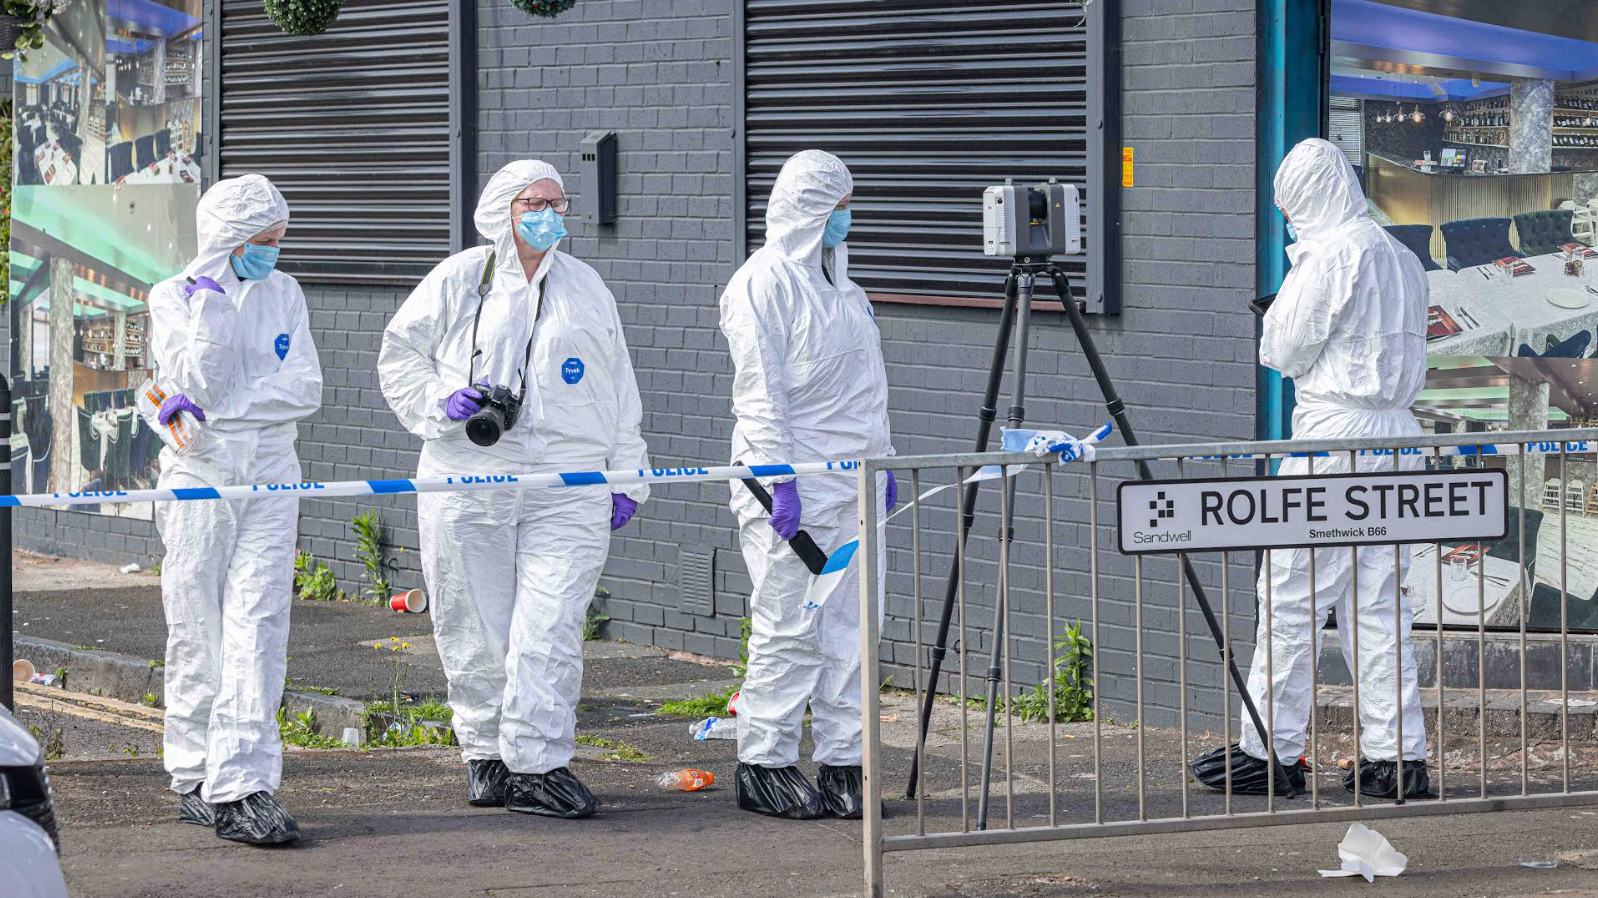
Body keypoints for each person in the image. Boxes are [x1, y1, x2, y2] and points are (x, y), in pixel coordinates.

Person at [378, 160, 650, 819]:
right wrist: (441, 401)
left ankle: (538, 763)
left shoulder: (586, 286)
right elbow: (397, 355)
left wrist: (628, 469)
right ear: (506, 207)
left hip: (568, 482)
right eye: (538, 202)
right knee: (474, 621)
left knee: (551, 623)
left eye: (559, 202)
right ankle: (486, 754)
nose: (553, 213)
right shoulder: (460, 279)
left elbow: (618, 383)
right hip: (470, 476)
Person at [1190, 138, 1430, 800]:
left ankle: (1271, 751)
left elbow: (1284, 350)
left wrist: (1277, 314)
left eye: (1291, 207)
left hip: (1333, 443)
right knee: (1377, 608)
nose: (1290, 220)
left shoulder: (1330, 257)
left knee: (1291, 598)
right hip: (1399, 442)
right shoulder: (1403, 258)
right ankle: (1397, 757)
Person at [719, 150, 895, 819]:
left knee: (854, 630)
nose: (846, 218)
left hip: (853, 485)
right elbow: (760, 395)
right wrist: (776, 479)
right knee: (790, 628)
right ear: (809, 211)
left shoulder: (844, 289)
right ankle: (763, 760)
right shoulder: (760, 286)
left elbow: (867, 393)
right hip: (791, 489)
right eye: (838, 206)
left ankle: (846, 762)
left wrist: (883, 461)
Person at [148, 174, 323, 844]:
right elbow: (193, 384)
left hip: (274, 476)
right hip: (201, 478)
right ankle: (193, 772)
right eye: (261, 243)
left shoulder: (285, 294)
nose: (273, 254)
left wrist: (231, 414)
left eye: (278, 241)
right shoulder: (175, 299)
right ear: (226, 241)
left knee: (259, 624)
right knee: (197, 626)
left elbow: (305, 386)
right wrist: (212, 309)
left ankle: (242, 782)